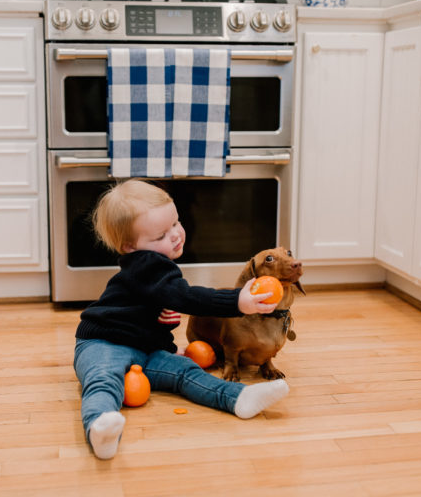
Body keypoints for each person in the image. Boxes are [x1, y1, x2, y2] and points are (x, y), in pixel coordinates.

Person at [73, 179, 290, 460]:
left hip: (145, 349)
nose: (175, 235)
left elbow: (146, 317)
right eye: (161, 235)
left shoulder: (156, 264)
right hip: (102, 343)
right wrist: (238, 301)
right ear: (130, 247)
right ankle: (100, 425)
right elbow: (186, 298)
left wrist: (165, 346)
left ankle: (239, 398)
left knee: (186, 371)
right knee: (104, 380)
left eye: (175, 223)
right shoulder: (147, 265)